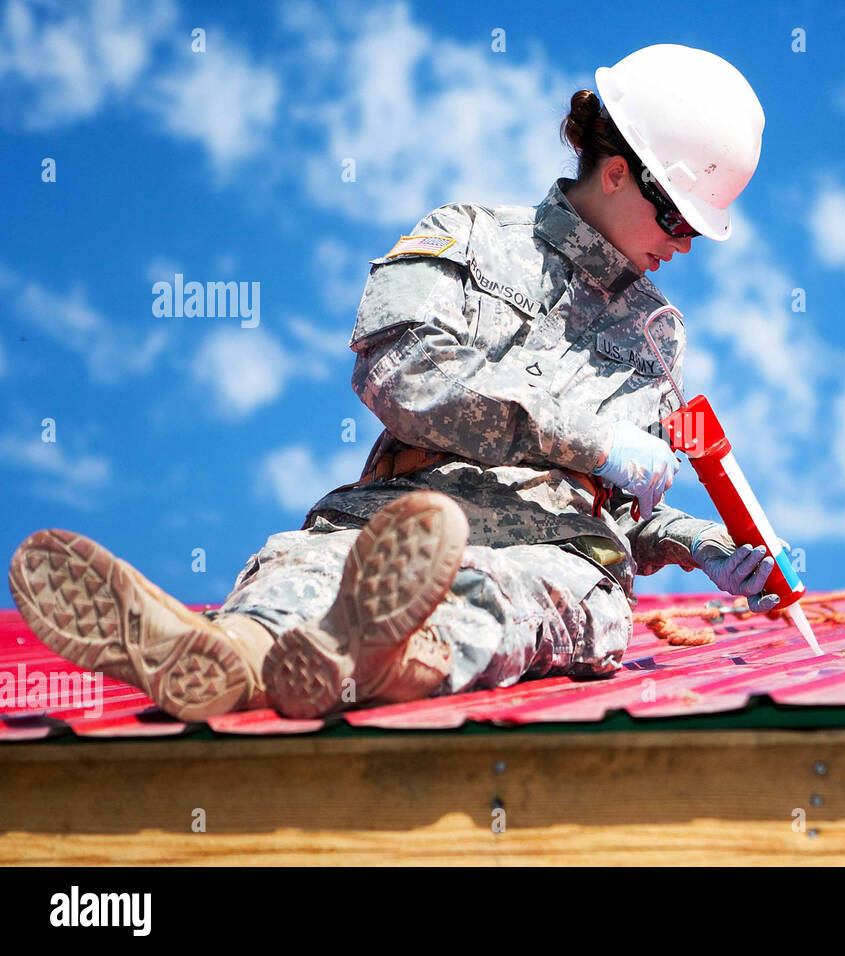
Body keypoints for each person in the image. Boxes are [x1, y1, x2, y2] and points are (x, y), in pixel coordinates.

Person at [8, 44, 781, 720]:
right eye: (678, 220)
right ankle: (225, 659)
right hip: (397, 522)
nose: (685, 247)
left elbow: (615, 505)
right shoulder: (470, 239)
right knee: (306, 571)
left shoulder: (657, 339)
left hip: (556, 552)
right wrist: (586, 438)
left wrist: (706, 546)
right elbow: (397, 372)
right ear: (618, 173)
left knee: (510, 599)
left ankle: (367, 660)